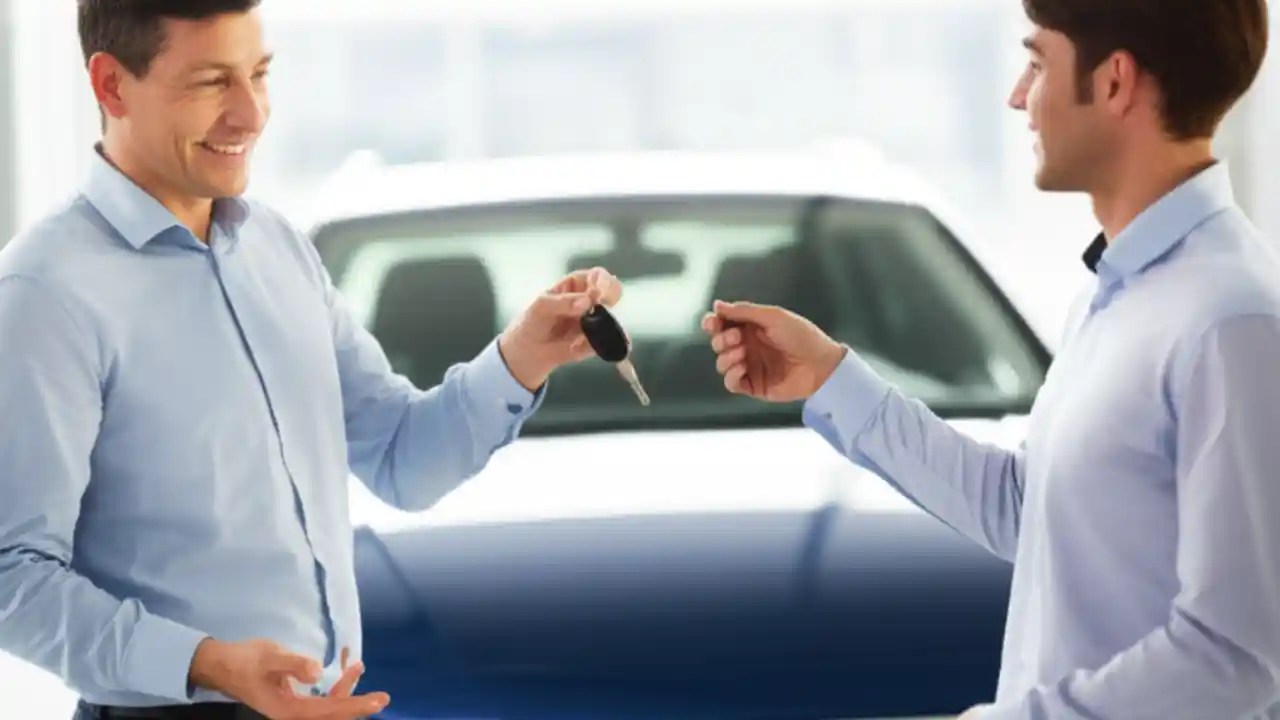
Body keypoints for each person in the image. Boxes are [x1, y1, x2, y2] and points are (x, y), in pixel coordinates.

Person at [0, 2, 622, 719]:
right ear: (111, 85)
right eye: (212, 82)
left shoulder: (277, 249)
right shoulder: (45, 293)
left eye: (258, 74)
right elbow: (13, 579)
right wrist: (206, 663)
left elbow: (403, 460)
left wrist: (521, 357)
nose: (251, 114)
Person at [705, 1, 1280, 718]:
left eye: (1037, 64)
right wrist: (829, 378)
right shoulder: (1120, 294)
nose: (1017, 96)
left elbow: (1235, 657)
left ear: (1114, 82)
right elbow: (1029, 508)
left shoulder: (1230, 320)